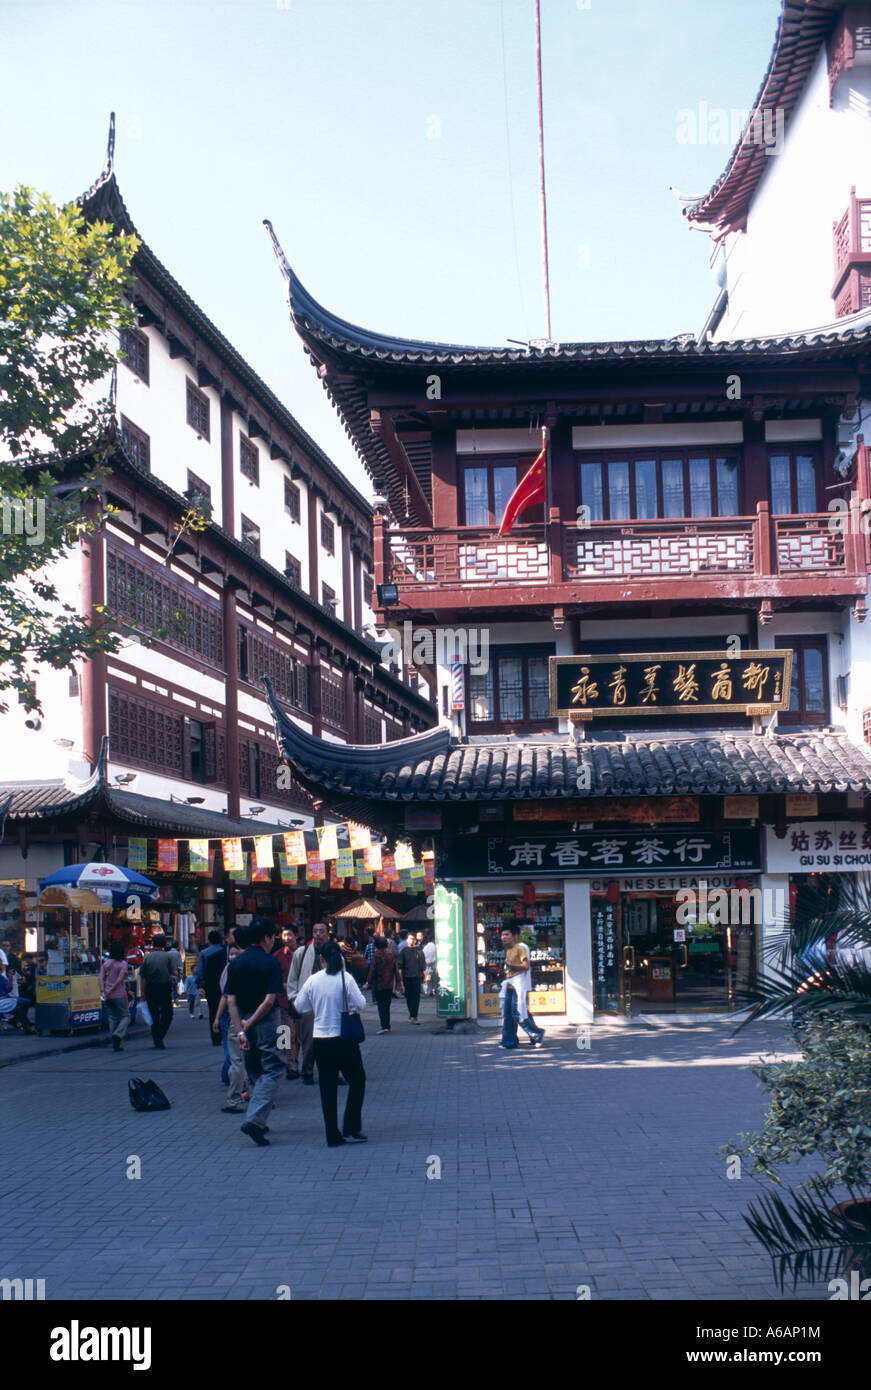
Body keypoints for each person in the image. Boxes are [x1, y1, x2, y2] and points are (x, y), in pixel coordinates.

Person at [294, 940, 367, 1146]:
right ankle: (351, 1126)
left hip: (321, 1040)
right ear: (341, 958)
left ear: (321, 959)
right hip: (344, 1039)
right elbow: (360, 1003)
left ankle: (332, 1135)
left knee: (327, 1088)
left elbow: (300, 1006)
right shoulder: (347, 978)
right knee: (358, 1080)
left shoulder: (313, 980)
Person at [226, 917, 285, 1146]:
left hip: (243, 1022)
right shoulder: (270, 962)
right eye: (273, 937)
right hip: (275, 1023)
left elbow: (231, 1001)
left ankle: (259, 1119)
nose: (274, 941)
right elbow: (271, 1000)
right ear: (266, 938)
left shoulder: (236, 964)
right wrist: (249, 1024)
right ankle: (254, 1120)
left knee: (253, 1068)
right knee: (275, 1067)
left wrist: (241, 1029)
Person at [286, 922, 328, 1085]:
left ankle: (333, 1072)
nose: (318, 934)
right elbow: (292, 978)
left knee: (332, 1040)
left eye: (321, 931)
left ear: (327, 934)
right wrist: (294, 998)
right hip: (308, 1004)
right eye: (315, 931)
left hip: (328, 1004)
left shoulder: (333, 953)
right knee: (308, 1040)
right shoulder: (301, 953)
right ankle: (307, 1071)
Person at [213, 939, 247, 1112]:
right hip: (256, 1020)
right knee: (255, 1061)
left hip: (238, 1022)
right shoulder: (263, 963)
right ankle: (262, 1097)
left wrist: (220, 1019)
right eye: (231, 953)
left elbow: (228, 998)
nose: (233, 956)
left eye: (236, 952)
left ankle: (234, 1100)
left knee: (236, 1061)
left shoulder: (232, 970)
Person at [498, 926, 544, 1050]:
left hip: (518, 986)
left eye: (507, 934)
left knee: (517, 1012)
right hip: (509, 985)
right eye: (503, 935)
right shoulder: (508, 950)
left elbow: (525, 966)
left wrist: (511, 965)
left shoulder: (521, 948)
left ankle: (537, 1033)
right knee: (507, 1014)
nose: (504, 937)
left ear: (515, 936)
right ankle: (509, 1041)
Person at [138, 934, 178, 1048]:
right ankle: (160, 1035)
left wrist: (142, 993)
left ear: (153, 944)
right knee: (168, 1014)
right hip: (165, 987)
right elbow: (174, 973)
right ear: (164, 944)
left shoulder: (147, 957)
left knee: (154, 1014)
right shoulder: (169, 957)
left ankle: (156, 1037)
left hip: (151, 988)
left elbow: (143, 977)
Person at [273, 927, 300, 1079]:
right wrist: (288, 986)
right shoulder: (277, 956)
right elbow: (276, 979)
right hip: (284, 1001)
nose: (287, 937)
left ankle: (296, 1061)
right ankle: (289, 1064)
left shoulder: (304, 954)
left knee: (299, 1035)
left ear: (296, 935)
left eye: (290, 934)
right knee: (285, 1034)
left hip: (302, 1001)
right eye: (284, 935)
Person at [196, 930, 228, 1046]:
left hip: (211, 984)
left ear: (208, 941)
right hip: (225, 983)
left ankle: (215, 1036)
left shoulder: (204, 953)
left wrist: (200, 985)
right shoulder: (225, 951)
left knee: (213, 1009)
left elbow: (200, 971)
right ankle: (225, 1033)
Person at [366, 936, 402, 1034]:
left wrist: (367, 982)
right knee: (387, 1005)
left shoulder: (376, 955)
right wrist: (399, 983)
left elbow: (372, 970)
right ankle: (387, 1025)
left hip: (378, 984)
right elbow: (396, 970)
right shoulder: (391, 955)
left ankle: (384, 1026)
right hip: (389, 984)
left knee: (381, 1006)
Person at [99, 941, 130, 1051]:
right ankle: (118, 1034)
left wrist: (104, 991)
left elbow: (101, 977)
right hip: (119, 993)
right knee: (126, 1016)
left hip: (107, 995)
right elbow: (120, 979)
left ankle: (115, 1040)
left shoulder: (106, 963)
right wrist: (111, 989)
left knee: (112, 1017)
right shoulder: (123, 964)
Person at [398, 931, 425, 1023]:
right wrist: (400, 980)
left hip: (417, 976)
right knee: (409, 997)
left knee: (416, 997)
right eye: (410, 939)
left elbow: (422, 964)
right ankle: (411, 1014)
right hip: (407, 977)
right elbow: (400, 966)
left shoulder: (419, 950)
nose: (412, 940)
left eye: (413, 939)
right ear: (407, 940)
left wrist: (425, 975)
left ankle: (414, 1016)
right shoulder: (404, 951)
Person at [0, 963, 33, 1031]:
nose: (3, 966)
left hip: (6, 999)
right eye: (1, 965)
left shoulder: (1, 977)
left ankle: (20, 1022)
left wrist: (11, 977)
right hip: (4, 1000)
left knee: (25, 1003)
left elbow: (8, 988)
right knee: (21, 1005)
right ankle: (26, 1026)